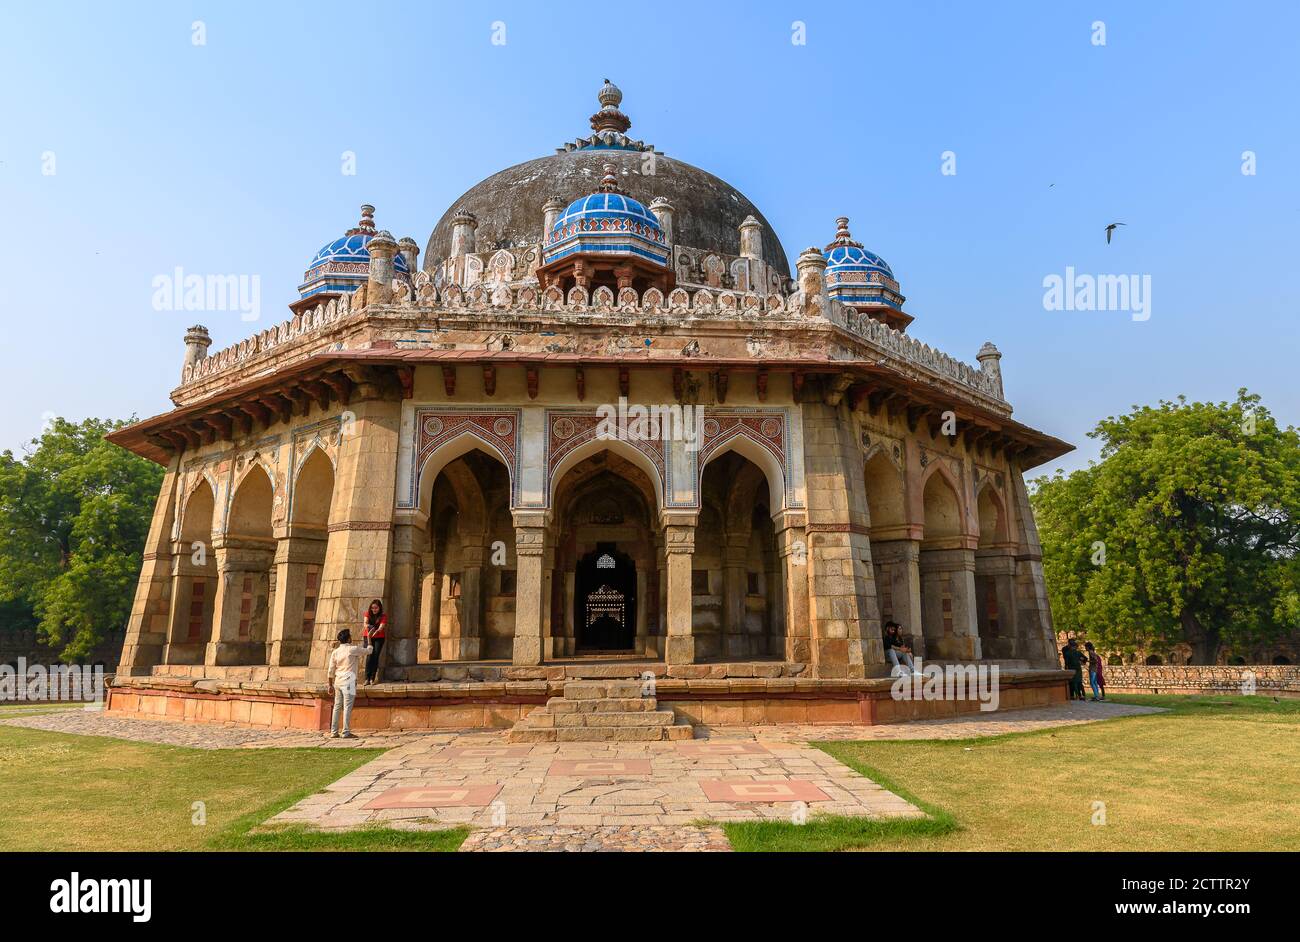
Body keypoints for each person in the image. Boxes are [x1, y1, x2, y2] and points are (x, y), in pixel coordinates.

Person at [327, 628, 371, 738]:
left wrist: (330, 685)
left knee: (337, 706)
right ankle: (345, 731)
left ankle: (334, 731)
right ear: (348, 638)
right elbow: (369, 651)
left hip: (338, 680)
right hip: (349, 680)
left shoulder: (335, 652)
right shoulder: (352, 649)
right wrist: (369, 638)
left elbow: (330, 670)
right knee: (347, 706)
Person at [362, 599, 387, 686]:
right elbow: (365, 623)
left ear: (379, 608)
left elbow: (381, 627)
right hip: (368, 636)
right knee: (369, 656)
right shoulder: (367, 614)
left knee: (375, 656)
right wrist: (369, 627)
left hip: (379, 637)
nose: (374, 610)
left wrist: (377, 631)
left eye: (376, 608)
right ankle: (366, 678)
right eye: (373, 608)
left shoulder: (383, 616)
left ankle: (372, 678)